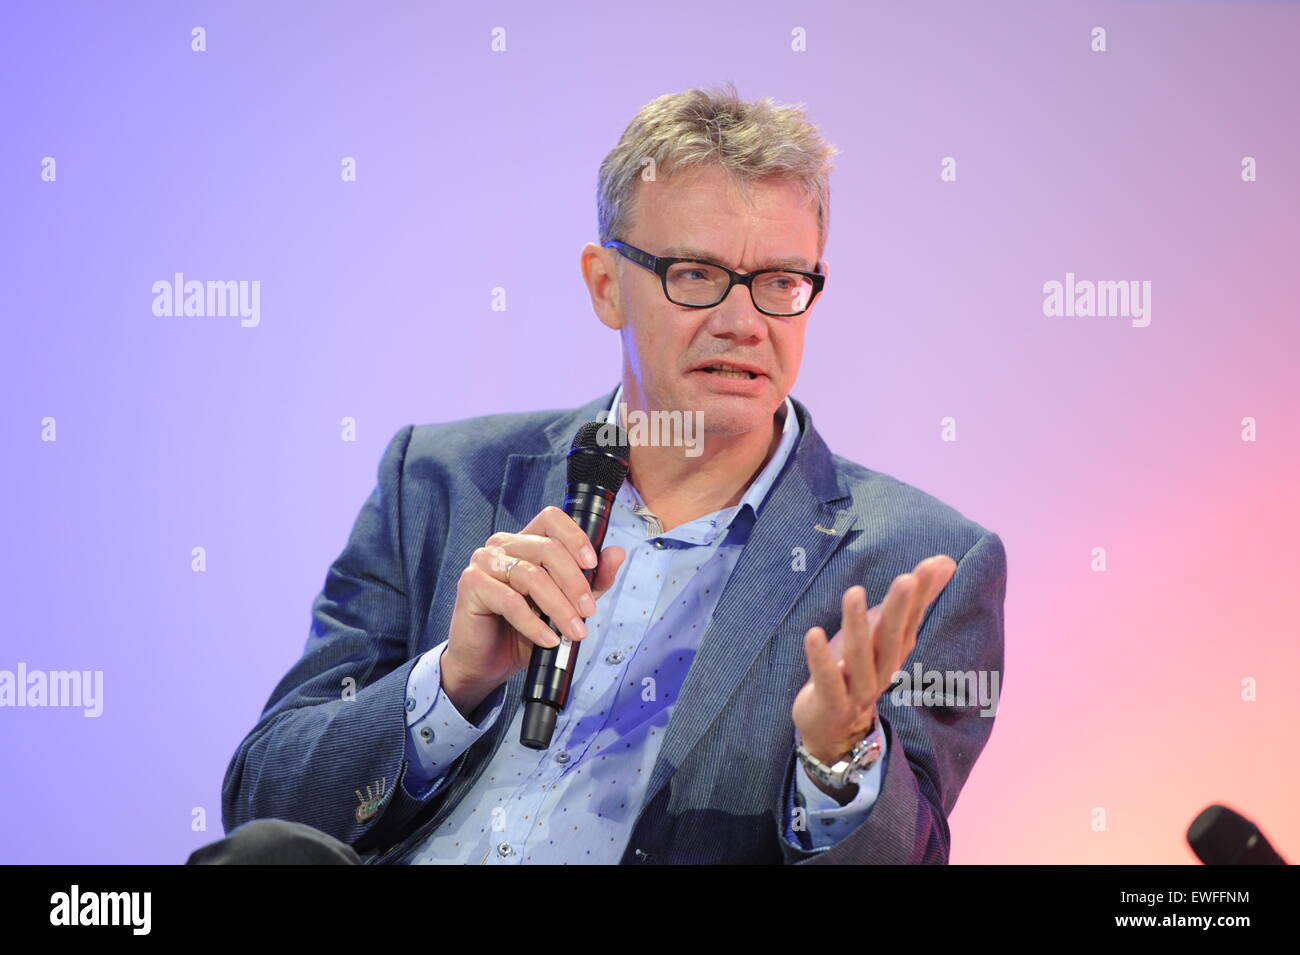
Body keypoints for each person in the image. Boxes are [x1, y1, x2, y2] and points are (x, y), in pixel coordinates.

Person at [194, 82, 1006, 866]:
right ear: (604, 284)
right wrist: (450, 682)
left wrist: (841, 760)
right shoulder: (439, 480)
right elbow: (266, 800)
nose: (742, 321)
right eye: (695, 274)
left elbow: (909, 857)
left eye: (780, 283)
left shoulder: (920, 562)